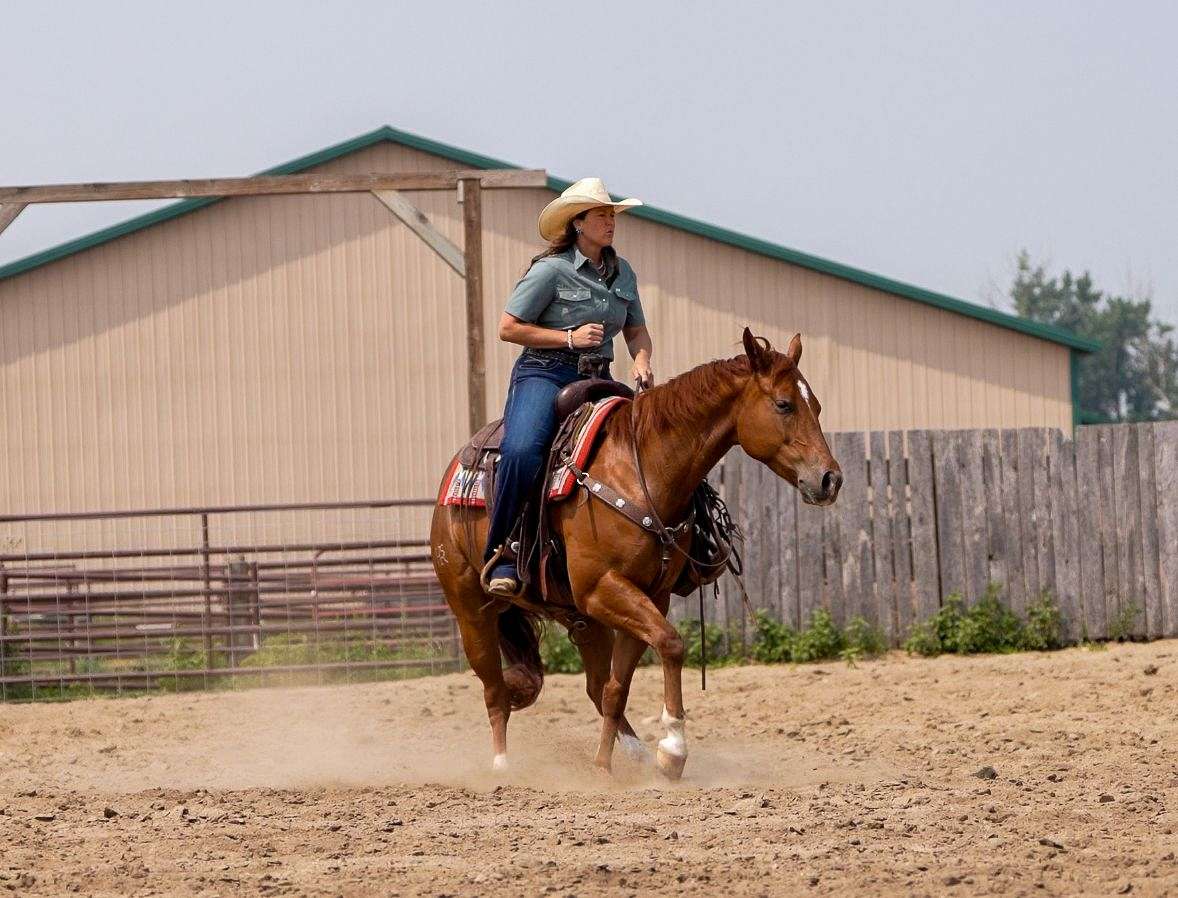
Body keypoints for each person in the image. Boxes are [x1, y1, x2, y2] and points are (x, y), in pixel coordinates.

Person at [483, 178, 656, 596]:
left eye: (612, 214)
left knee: (651, 443)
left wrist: (642, 361)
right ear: (578, 222)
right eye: (601, 214)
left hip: (598, 377)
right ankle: (502, 551)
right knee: (523, 450)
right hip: (545, 372)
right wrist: (568, 338)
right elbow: (509, 328)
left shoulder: (623, 272)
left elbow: (636, 331)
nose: (610, 221)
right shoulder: (550, 270)